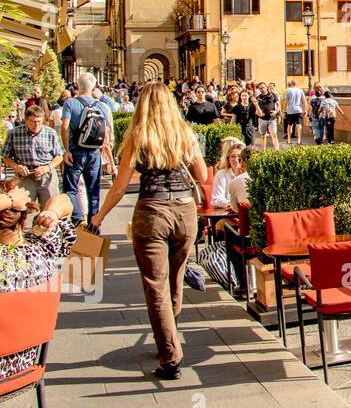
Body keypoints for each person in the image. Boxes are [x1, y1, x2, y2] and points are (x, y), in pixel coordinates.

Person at [91, 83, 207, 381]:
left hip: (152, 211)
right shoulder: (184, 134)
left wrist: (99, 216)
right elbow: (202, 175)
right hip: (185, 211)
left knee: (155, 285)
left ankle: (170, 356)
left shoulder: (138, 136)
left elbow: (119, 186)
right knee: (175, 280)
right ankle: (170, 339)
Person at [0, 183, 76, 383]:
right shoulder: (43, 250)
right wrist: (50, 213)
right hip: (25, 363)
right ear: (24, 219)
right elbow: (66, 200)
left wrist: (8, 200)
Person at [61, 73, 115, 227]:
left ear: (78, 86)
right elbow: (106, 134)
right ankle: (94, 226)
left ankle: (78, 219)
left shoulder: (70, 103)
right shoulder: (102, 106)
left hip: (75, 150)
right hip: (95, 153)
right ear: (93, 87)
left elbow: (65, 126)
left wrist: (66, 150)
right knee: (93, 192)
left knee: (71, 188)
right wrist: (108, 158)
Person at [2, 106, 64, 207]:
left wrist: (47, 168)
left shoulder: (50, 133)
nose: (36, 125)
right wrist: (16, 167)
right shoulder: (14, 133)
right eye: (33, 121)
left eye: (39, 121)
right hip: (25, 176)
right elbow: (5, 157)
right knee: (24, 210)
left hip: (46, 174)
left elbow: (59, 156)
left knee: (49, 209)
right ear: (26, 120)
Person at [209, 138, 249, 213]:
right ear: (228, 158)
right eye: (233, 156)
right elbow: (216, 199)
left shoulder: (249, 175)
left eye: (239, 157)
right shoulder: (221, 174)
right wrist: (231, 205)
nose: (236, 159)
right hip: (227, 213)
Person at [255, 82, 280, 151]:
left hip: (272, 119)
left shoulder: (273, 95)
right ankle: (263, 151)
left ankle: (277, 150)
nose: (262, 89)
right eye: (260, 88)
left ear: (266, 87)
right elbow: (255, 110)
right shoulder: (258, 98)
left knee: (274, 134)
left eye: (263, 87)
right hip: (262, 119)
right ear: (259, 89)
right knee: (263, 135)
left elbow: (278, 105)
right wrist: (258, 113)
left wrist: (276, 111)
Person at [283, 80, 305, 146]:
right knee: (299, 125)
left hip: (290, 110)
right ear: (296, 84)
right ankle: (299, 140)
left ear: (290, 83)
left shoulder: (288, 90)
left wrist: (283, 110)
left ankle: (289, 139)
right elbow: (304, 101)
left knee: (289, 125)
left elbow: (285, 101)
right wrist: (305, 110)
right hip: (298, 109)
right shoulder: (300, 90)